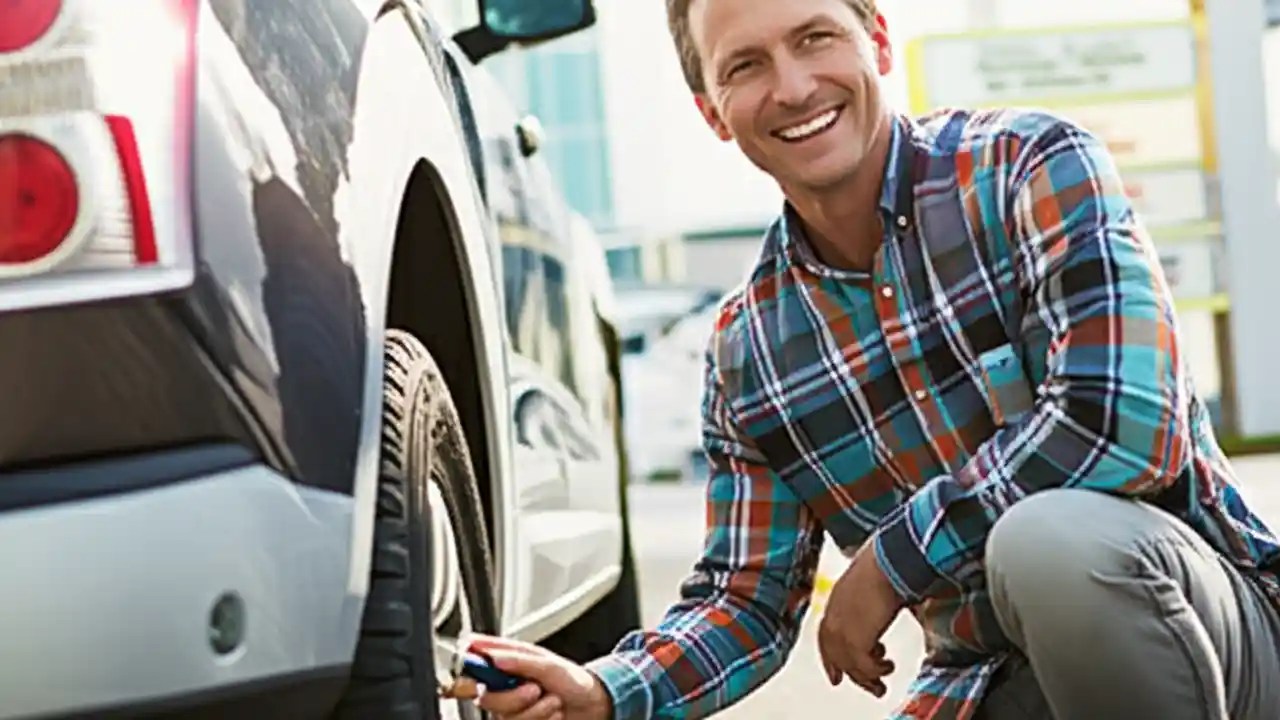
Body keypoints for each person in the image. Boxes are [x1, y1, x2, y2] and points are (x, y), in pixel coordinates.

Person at [454, 0, 1280, 718]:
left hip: (1216, 634)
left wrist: (892, 560)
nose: (792, 86)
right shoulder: (751, 350)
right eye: (746, 64)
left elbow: (1126, 426)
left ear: (876, 42)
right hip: (984, 688)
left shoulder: (1028, 168)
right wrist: (604, 691)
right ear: (713, 110)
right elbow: (746, 600)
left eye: (815, 38)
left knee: (1052, 544)